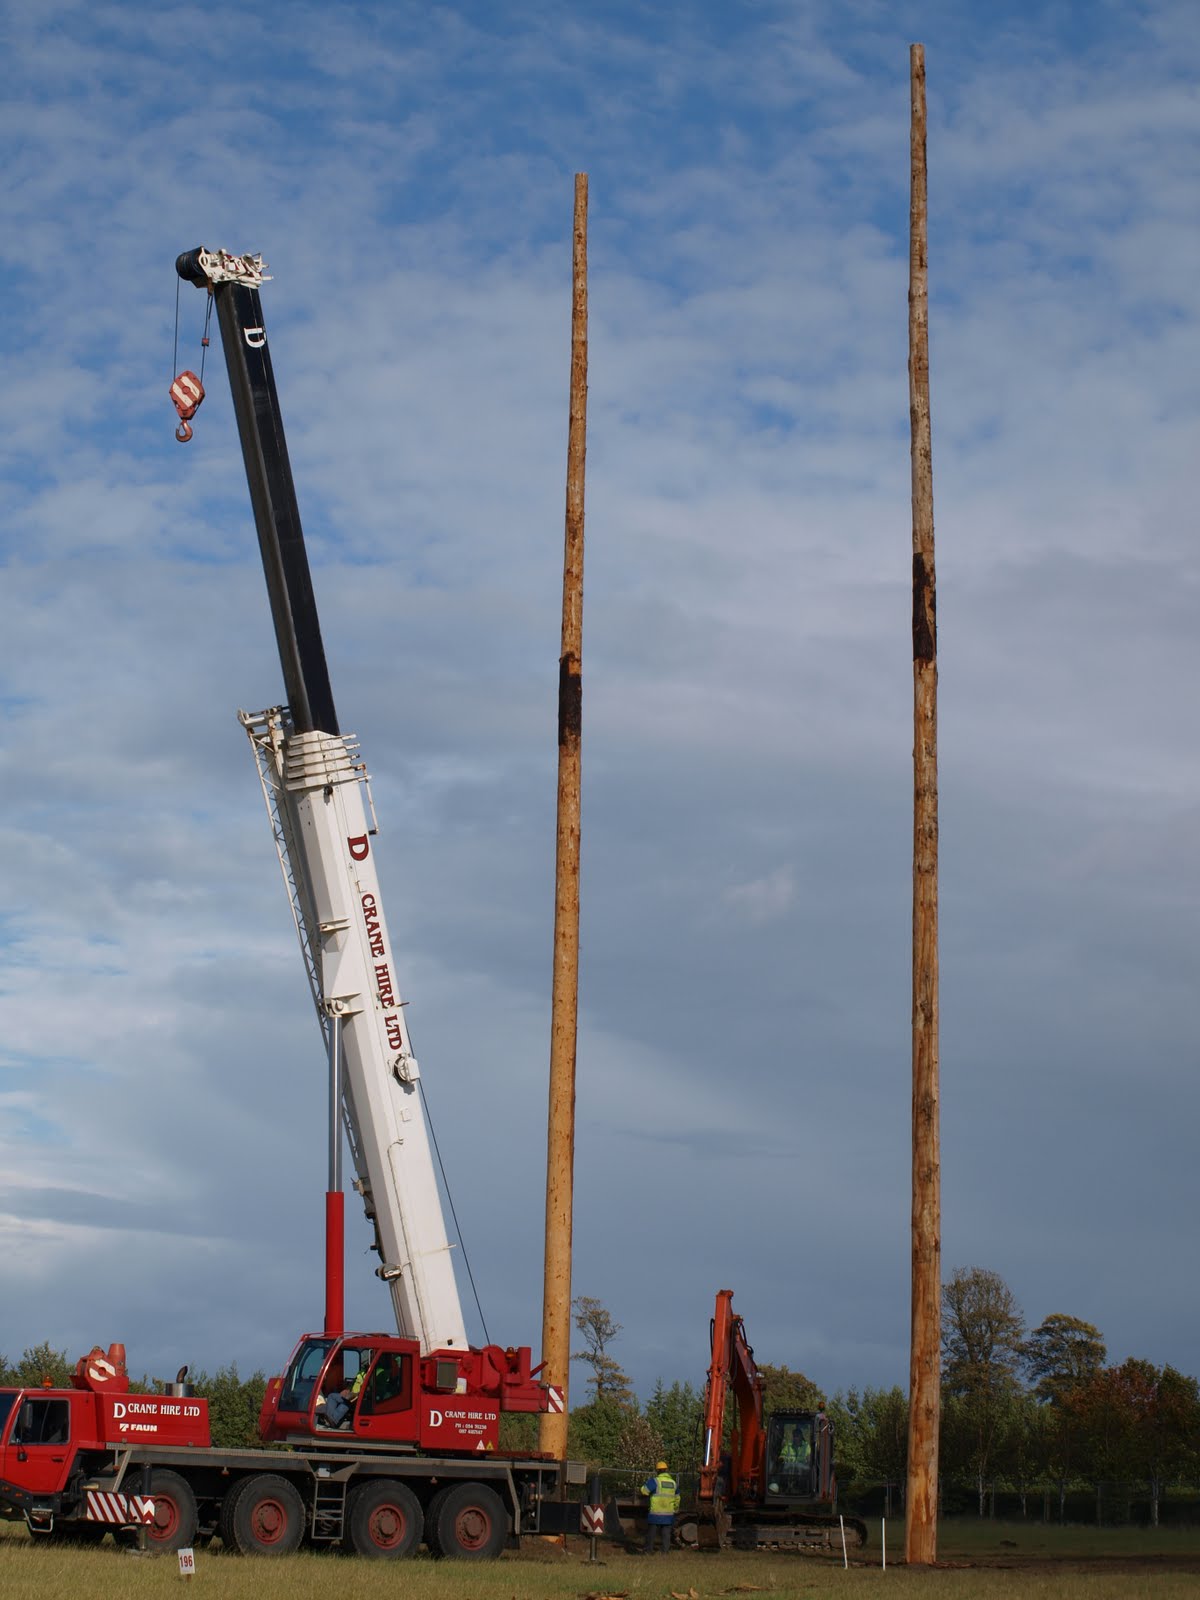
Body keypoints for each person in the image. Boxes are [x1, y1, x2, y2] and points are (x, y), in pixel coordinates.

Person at [640, 1459, 679, 1554]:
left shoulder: (655, 1481)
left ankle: (649, 1550)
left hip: (655, 1513)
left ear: (657, 1471)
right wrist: (675, 1509)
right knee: (666, 1534)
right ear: (666, 1470)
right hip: (668, 1514)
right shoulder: (673, 1483)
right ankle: (665, 1552)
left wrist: (643, 1486)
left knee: (651, 1533)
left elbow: (644, 1491)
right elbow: (677, 1498)